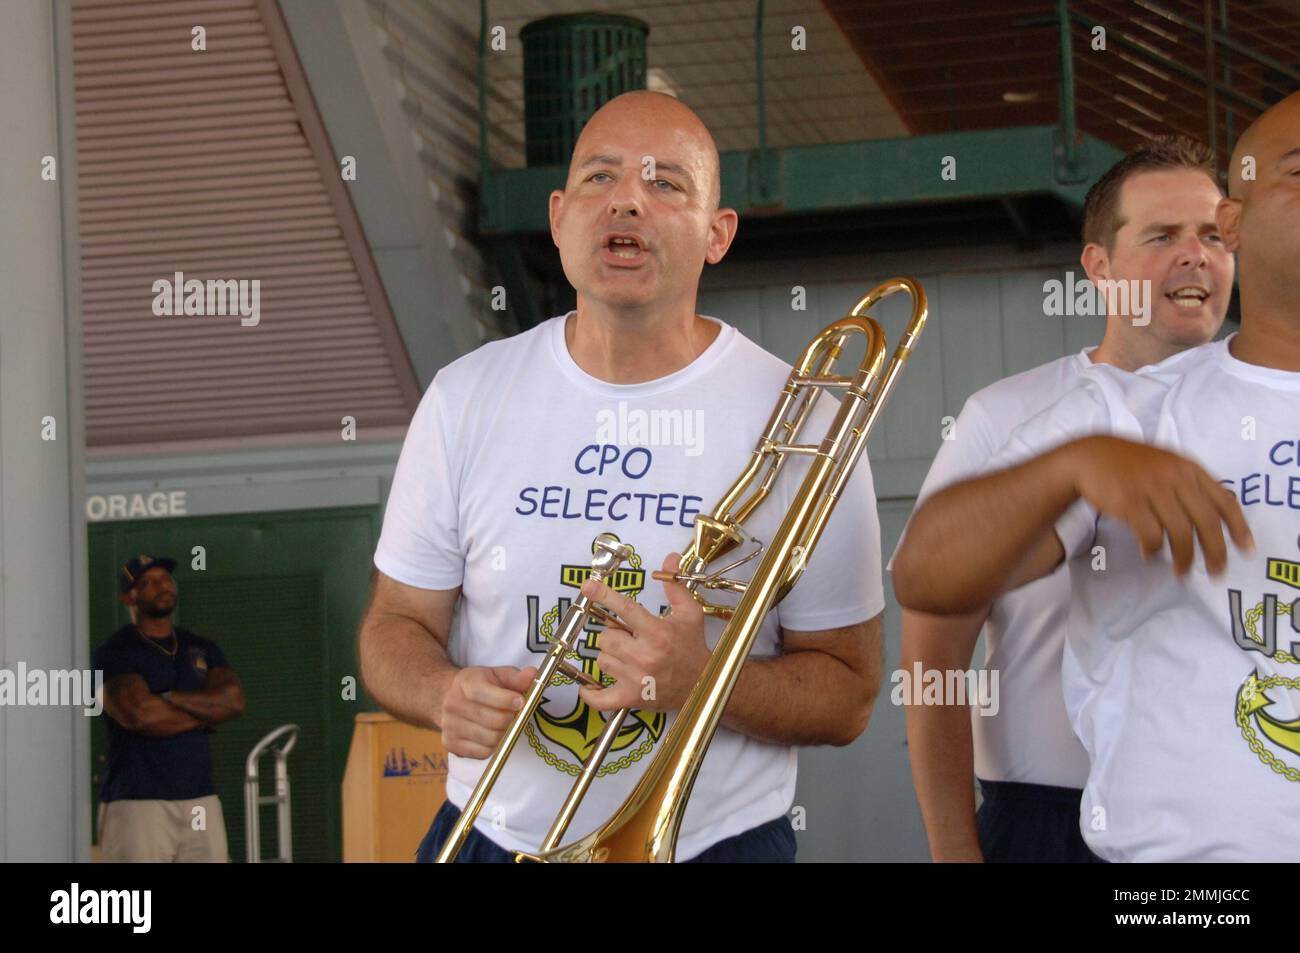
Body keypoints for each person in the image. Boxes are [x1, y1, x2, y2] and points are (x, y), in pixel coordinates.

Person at [359, 90, 886, 863]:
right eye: (600, 178)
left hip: (710, 845)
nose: (628, 201)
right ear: (559, 215)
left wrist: (702, 680)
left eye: (665, 183)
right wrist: (440, 692)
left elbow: (849, 692)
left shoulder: (806, 417)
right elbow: (393, 626)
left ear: (718, 234)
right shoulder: (463, 397)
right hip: (492, 837)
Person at [893, 91, 1300, 861]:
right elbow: (929, 622)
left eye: (1208, 235)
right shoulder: (1070, 416)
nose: (1194, 254)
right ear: (1099, 266)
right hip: (1069, 821)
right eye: (1162, 235)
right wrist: (954, 849)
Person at [95, 554, 245, 862]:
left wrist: (168, 698)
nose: (161, 587)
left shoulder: (200, 646)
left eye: (165, 579)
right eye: (147, 583)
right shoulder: (115, 651)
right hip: (138, 801)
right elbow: (140, 715)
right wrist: (205, 715)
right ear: (129, 597)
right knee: (137, 907)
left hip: (200, 798)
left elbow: (233, 701)